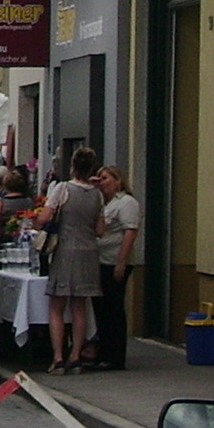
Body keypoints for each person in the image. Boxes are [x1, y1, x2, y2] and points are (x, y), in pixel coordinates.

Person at [36, 147, 106, 373]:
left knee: (57, 306)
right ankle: (76, 356)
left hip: (65, 249)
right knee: (80, 306)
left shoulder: (62, 188)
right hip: (89, 252)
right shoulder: (97, 194)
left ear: (73, 165)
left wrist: (39, 221)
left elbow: (45, 217)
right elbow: (100, 229)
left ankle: (58, 356)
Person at [92, 165, 141, 371]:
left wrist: (121, 262)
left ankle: (115, 356)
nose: (102, 182)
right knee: (101, 309)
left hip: (115, 261)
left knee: (113, 308)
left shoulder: (126, 203)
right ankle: (102, 351)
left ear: (118, 181)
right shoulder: (105, 203)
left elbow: (130, 233)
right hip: (101, 260)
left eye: (105, 178)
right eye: (100, 178)